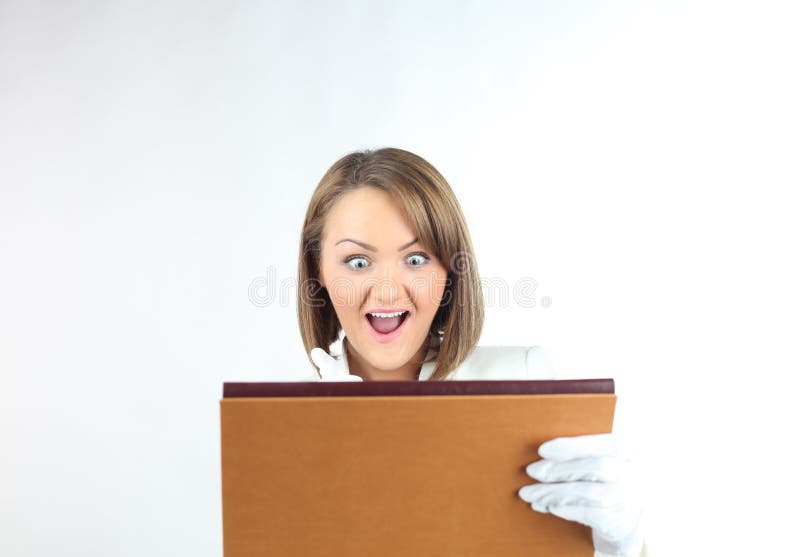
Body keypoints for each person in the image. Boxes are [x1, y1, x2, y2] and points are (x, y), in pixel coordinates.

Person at [296, 147, 646, 557]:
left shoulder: (528, 383)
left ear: (449, 272)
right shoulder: (280, 436)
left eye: (416, 258)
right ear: (317, 271)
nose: (388, 290)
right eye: (357, 262)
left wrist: (620, 546)